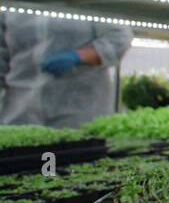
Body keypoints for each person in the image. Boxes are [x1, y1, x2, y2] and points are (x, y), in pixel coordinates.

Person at [0, 14, 133, 128]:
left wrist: (77, 57)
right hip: (19, 110)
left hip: (79, 111)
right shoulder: (13, 8)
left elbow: (119, 38)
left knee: (73, 153)